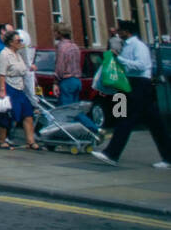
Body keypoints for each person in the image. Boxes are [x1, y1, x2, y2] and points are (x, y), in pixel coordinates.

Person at [92, 19, 171, 167]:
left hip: (141, 84)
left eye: (120, 30)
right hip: (133, 84)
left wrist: (120, 59)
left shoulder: (138, 46)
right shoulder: (127, 45)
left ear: (127, 32)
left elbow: (142, 65)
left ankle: (111, 154)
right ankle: (168, 157)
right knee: (155, 123)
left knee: (126, 118)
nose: (118, 32)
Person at [0, 30, 38, 150]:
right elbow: (1, 74)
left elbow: (24, 69)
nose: (21, 42)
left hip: (19, 87)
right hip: (8, 85)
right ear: (11, 42)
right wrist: (2, 90)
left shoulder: (18, 54)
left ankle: (31, 141)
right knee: (7, 114)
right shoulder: (4, 54)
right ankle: (1, 140)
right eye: (18, 40)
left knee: (28, 113)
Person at [53, 24, 83, 105]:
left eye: (55, 32)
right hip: (77, 80)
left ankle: (87, 119)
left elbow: (60, 67)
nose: (54, 34)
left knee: (67, 112)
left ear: (60, 33)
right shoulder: (75, 46)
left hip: (67, 82)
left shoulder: (61, 47)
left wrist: (55, 82)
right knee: (75, 110)